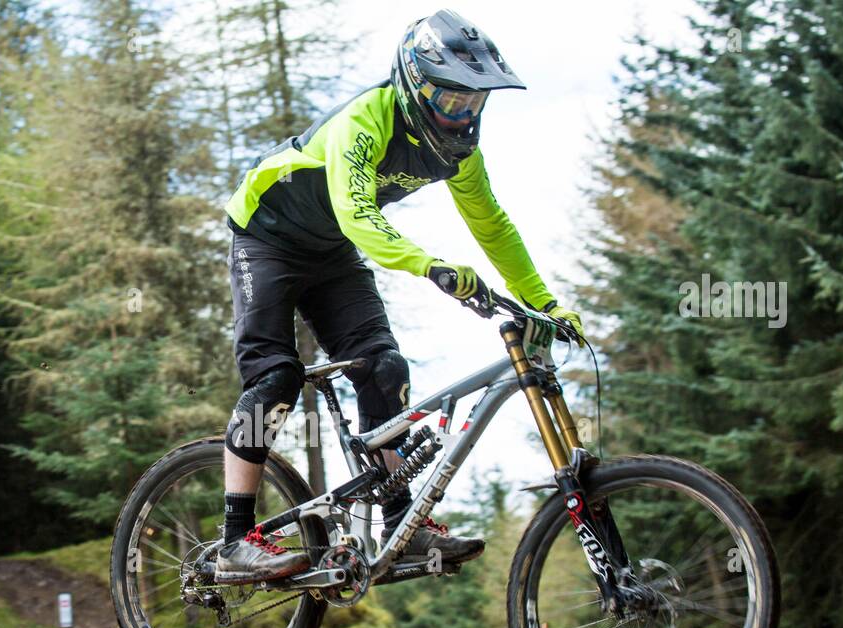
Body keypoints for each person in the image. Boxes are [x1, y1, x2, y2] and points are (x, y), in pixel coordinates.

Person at [216, 8, 584, 584]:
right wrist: (431, 266)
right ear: (415, 84)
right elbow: (358, 214)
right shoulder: (365, 120)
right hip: (265, 238)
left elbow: (492, 226)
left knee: (385, 368)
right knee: (276, 378)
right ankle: (234, 539)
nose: (462, 114)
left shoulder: (457, 153)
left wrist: (545, 303)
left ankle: (399, 526)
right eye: (450, 99)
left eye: (473, 102)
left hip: (332, 251)